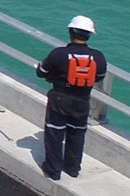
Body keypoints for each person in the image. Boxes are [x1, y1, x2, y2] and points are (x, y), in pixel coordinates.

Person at [36, 16, 108, 180]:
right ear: (89, 35)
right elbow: (99, 77)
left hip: (59, 99)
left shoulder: (59, 54)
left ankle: (53, 170)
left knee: (55, 133)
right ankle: (72, 168)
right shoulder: (98, 57)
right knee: (77, 134)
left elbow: (42, 72)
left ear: (70, 32)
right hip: (82, 101)